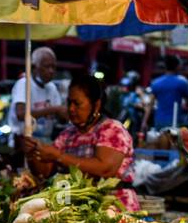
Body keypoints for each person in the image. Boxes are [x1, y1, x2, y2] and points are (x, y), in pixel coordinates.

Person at [23, 72, 141, 213]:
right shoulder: (68, 134)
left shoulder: (112, 129)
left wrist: (59, 156)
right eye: (69, 103)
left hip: (115, 208)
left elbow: (105, 168)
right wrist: (32, 153)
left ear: (96, 105)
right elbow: (45, 171)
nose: (71, 109)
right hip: (80, 210)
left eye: (77, 103)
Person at [9, 46, 66, 145]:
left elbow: (60, 115)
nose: (51, 71)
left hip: (44, 140)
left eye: (53, 67)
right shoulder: (24, 84)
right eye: (47, 67)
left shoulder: (52, 88)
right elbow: (20, 114)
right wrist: (54, 109)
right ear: (34, 67)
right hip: (23, 141)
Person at [143, 54, 188, 132]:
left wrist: (144, 122)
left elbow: (150, 104)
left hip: (159, 122)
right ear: (177, 66)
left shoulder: (156, 83)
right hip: (175, 122)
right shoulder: (182, 82)